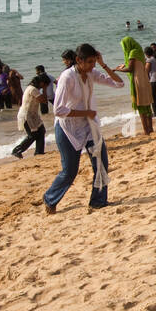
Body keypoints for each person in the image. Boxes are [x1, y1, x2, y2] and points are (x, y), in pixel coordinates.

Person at [44, 43, 124, 213]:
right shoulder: (67, 77)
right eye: (89, 62)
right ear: (78, 60)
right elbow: (58, 110)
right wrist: (85, 112)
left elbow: (119, 84)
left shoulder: (92, 72)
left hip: (89, 127)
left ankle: (98, 202)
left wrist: (103, 64)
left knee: (101, 164)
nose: (92, 66)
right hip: (68, 129)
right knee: (70, 171)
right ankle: (50, 199)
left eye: (94, 62)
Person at [118, 36, 155, 135]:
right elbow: (135, 66)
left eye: (124, 46)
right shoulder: (138, 51)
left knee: (141, 108)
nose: (124, 48)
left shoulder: (132, 53)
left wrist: (117, 69)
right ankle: (150, 129)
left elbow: (130, 69)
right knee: (147, 106)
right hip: (144, 80)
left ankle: (146, 131)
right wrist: (123, 66)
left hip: (138, 81)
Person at [12, 74, 50, 158]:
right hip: (26, 116)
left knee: (41, 131)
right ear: (42, 83)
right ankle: (16, 150)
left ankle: (39, 152)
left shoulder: (33, 88)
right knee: (32, 135)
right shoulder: (33, 89)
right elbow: (44, 100)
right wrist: (45, 89)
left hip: (33, 115)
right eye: (46, 84)